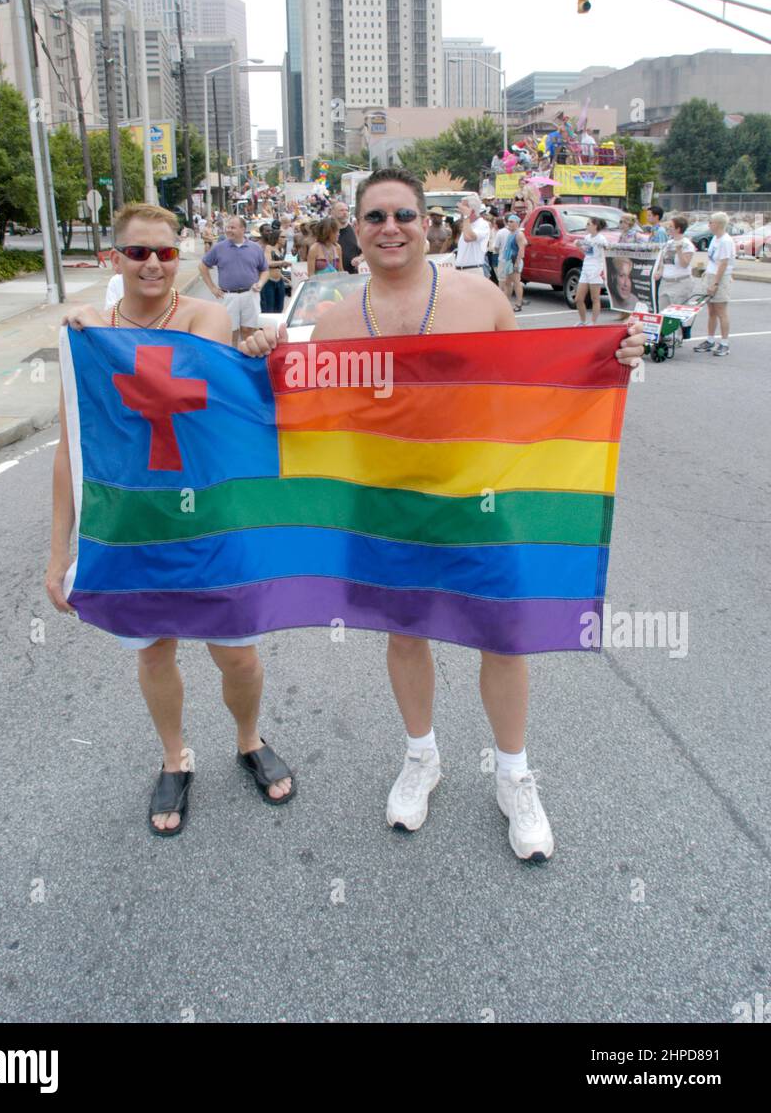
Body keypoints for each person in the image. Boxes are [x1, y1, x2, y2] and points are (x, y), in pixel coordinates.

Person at [242, 168, 644, 862]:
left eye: (404, 214)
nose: (390, 227)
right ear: (356, 231)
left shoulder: (480, 297)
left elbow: (531, 386)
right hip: (385, 504)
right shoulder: (335, 321)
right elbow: (303, 410)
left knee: (504, 636)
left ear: (428, 224)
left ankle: (515, 776)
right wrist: (260, 357)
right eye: (375, 217)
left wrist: (611, 359)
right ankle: (421, 757)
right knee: (403, 632)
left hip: (477, 497)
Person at [46, 203, 294, 838]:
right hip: (135, 522)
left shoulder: (205, 319)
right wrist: (57, 554)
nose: (153, 263)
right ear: (115, 259)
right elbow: (71, 450)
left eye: (164, 252)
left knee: (236, 653)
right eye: (138, 253)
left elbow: (238, 382)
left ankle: (247, 737)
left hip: (210, 518)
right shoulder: (91, 337)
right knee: (155, 650)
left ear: (179, 257)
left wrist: (259, 350)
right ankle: (174, 757)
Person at [199, 214, 269, 346]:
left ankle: (247, 359)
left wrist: (260, 283)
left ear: (243, 229)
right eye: (228, 227)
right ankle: (233, 360)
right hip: (229, 296)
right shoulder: (219, 248)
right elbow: (202, 267)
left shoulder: (255, 248)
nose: (229, 230)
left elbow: (265, 270)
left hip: (250, 295)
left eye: (233, 227)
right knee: (231, 331)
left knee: (249, 330)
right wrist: (212, 288)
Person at [694, 210, 736, 357]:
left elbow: (723, 264)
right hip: (711, 275)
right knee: (711, 311)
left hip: (720, 278)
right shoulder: (715, 238)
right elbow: (713, 260)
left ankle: (724, 343)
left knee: (721, 311)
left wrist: (715, 283)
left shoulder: (725, 240)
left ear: (718, 224)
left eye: (711, 222)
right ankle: (710, 340)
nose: (709, 224)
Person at [654, 215, 696, 309]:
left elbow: (684, 264)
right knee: (663, 312)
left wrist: (679, 251)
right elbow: (663, 261)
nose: (668, 228)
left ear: (678, 229)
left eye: (671, 226)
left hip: (680, 282)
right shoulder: (669, 243)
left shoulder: (687, 244)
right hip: (665, 282)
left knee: (676, 315)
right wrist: (660, 272)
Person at [575, 216, 607, 326]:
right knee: (578, 298)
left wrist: (603, 271)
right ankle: (583, 320)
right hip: (586, 268)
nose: (586, 226)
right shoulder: (587, 237)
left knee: (595, 298)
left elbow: (604, 255)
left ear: (595, 226)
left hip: (596, 269)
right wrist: (579, 246)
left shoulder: (601, 239)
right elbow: (588, 253)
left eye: (588, 224)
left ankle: (593, 322)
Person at [456, 193, 490, 274]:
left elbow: (468, 237)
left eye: (463, 208)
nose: (460, 211)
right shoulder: (468, 224)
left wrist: (466, 216)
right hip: (461, 270)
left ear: (472, 211)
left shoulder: (483, 224)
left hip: (473, 269)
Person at [500, 213, 527, 312]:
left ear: (517, 223)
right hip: (508, 260)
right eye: (508, 221)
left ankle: (519, 303)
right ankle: (507, 303)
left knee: (516, 282)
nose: (509, 223)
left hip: (514, 260)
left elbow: (521, 250)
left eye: (511, 222)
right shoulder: (511, 233)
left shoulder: (519, 234)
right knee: (507, 283)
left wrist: (516, 263)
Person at [259, 226, 287, 315]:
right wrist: (282, 262)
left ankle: (275, 328)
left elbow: (278, 269)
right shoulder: (269, 248)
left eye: (285, 237)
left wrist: (287, 280)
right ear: (277, 238)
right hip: (269, 281)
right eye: (282, 237)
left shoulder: (281, 250)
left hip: (279, 281)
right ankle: (267, 328)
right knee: (269, 308)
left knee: (279, 307)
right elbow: (267, 263)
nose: (285, 239)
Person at [331, 199, 361, 272]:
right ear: (332, 212)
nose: (345, 213)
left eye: (346, 210)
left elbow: (366, 251)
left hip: (353, 276)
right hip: (331, 277)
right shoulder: (327, 231)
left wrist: (360, 258)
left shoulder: (355, 230)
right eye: (341, 210)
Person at [488, 214, 507, 279]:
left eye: (495, 224)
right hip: (491, 252)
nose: (493, 225)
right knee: (494, 271)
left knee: (500, 273)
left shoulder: (502, 232)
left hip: (498, 253)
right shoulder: (492, 230)